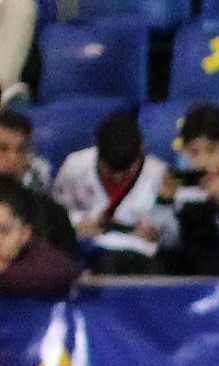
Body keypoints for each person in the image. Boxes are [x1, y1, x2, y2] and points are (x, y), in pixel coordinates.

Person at [152, 103, 219, 277]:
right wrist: (165, 202)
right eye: (194, 153)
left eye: (211, 150)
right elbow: (169, 242)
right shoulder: (177, 186)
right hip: (183, 266)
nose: (203, 160)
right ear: (184, 151)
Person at [51, 109, 164, 273]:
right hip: (87, 247)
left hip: (140, 256)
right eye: (110, 170)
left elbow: (169, 233)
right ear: (95, 145)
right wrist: (75, 225)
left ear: (142, 150)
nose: (117, 178)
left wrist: (156, 232)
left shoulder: (158, 173)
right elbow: (57, 213)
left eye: (126, 171)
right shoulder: (75, 165)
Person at [0, 109, 77, 256]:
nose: (13, 158)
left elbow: (65, 265)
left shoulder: (52, 215)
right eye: (3, 149)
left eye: (21, 149)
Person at [0, 181, 76, 299]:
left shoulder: (42, 259)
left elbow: (62, 271)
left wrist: (4, 275)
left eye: (4, 231)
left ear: (25, 234)